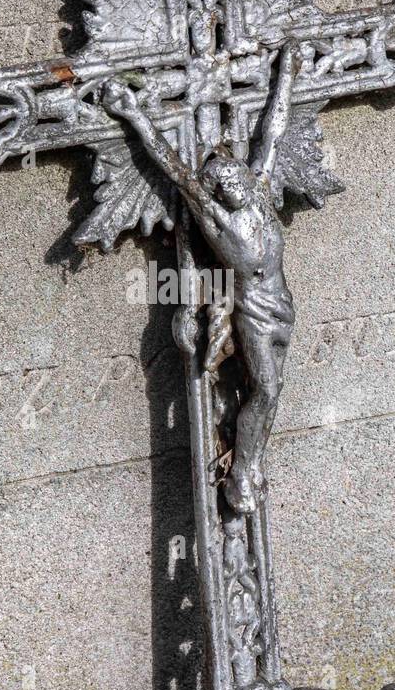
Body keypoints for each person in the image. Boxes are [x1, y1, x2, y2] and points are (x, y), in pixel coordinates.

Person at [103, 42, 299, 514]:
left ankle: (248, 463)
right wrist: (134, 113)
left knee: (269, 394)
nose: (230, 184)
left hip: (284, 307)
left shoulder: (261, 196)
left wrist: (287, 74)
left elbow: (272, 131)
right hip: (250, 310)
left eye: (234, 176)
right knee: (267, 391)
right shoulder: (216, 218)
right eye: (221, 181)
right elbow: (171, 166)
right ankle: (239, 480)